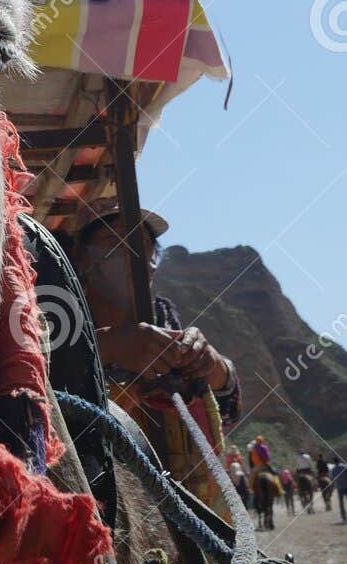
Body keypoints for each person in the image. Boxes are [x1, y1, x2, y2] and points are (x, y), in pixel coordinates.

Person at [66, 203, 241, 509]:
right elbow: (38, 383)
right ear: (82, 256)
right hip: (107, 512)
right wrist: (106, 346)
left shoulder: (167, 320)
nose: (133, 254)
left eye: (143, 245)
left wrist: (214, 366)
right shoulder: (61, 321)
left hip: (192, 513)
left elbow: (229, 406)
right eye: (115, 242)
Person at [332, 456, 347, 524]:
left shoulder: (334, 469)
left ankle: (344, 518)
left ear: (334, 462)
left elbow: (333, 478)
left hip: (339, 488)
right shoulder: (344, 467)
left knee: (341, 503)